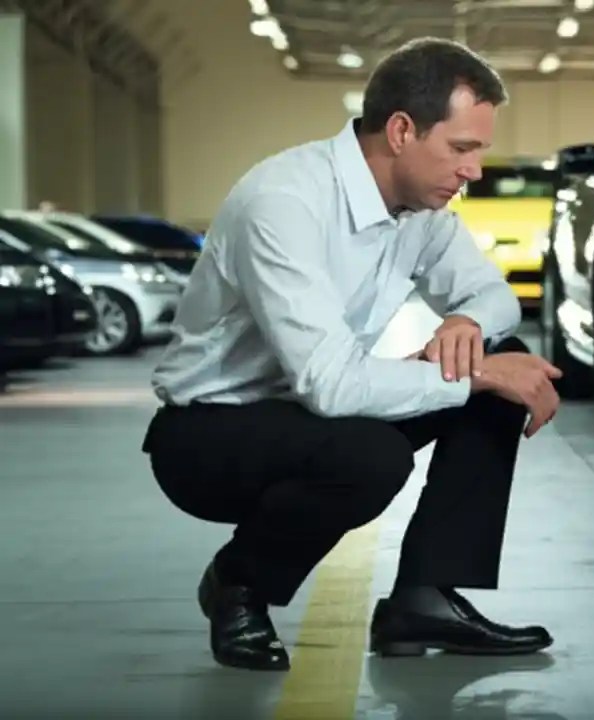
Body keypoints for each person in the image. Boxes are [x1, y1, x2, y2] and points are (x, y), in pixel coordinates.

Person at [140, 37, 563, 672]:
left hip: (309, 415)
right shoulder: (284, 202)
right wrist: (474, 376)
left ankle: (424, 598)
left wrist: (468, 323)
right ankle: (240, 583)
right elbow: (330, 387)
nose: (474, 170)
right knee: (373, 454)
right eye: (462, 148)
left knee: (509, 356)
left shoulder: (422, 209)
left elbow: (493, 294)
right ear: (400, 131)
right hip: (211, 434)